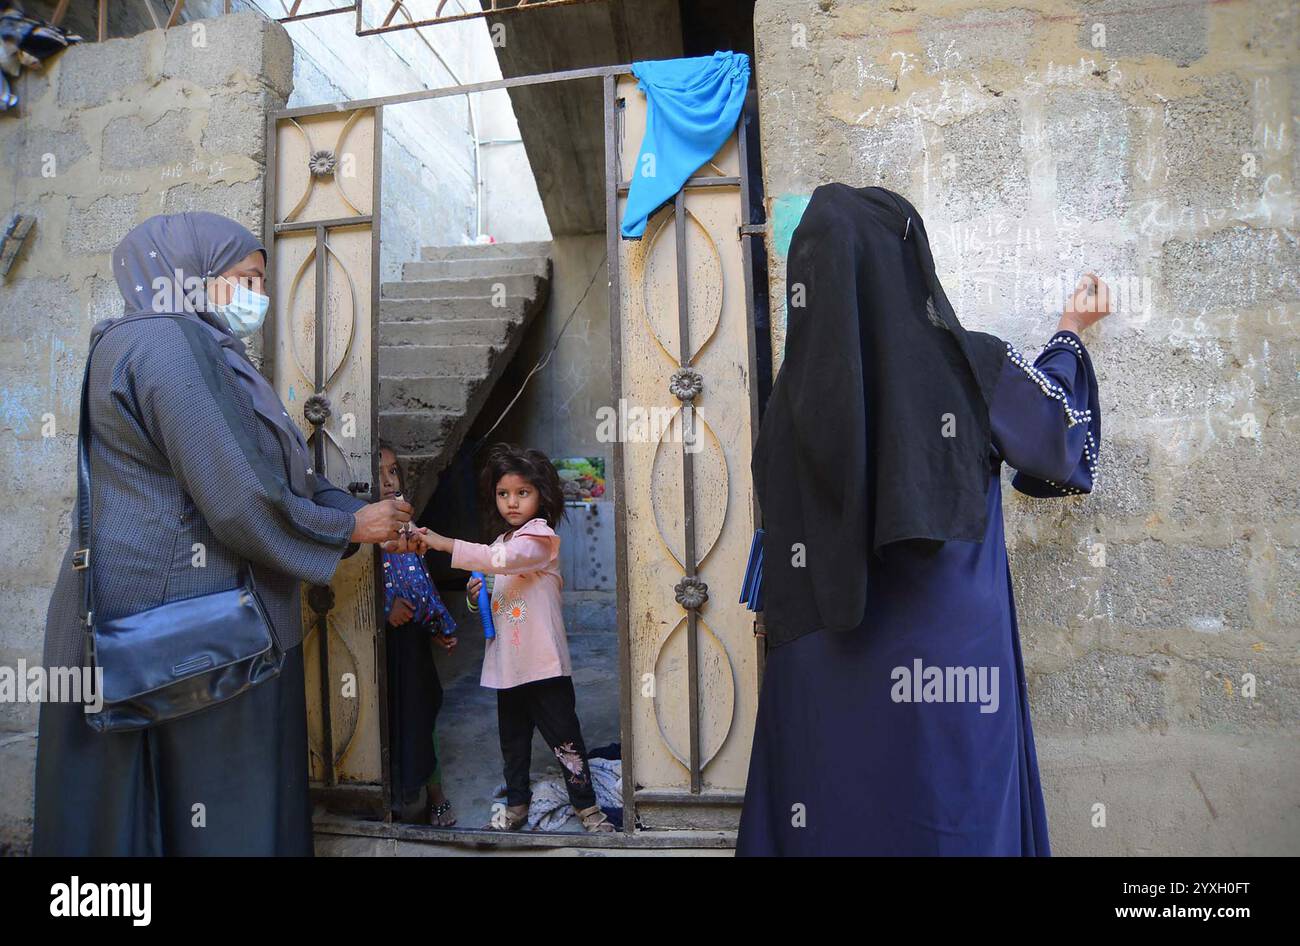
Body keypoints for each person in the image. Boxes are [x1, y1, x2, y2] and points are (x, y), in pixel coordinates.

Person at [736, 184, 1110, 856]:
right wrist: (1069, 331)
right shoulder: (969, 368)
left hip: (820, 669)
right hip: (947, 681)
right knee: (945, 818)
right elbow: (1060, 446)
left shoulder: (787, 406)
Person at [32, 212, 416, 856]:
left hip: (162, 629)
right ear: (189, 276)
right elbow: (237, 496)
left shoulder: (174, 344)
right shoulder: (165, 346)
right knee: (221, 814)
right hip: (195, 637)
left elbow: (266, 464)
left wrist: (341, 512)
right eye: (243, 279)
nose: (256, 298)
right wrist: (345, 526)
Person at [403, 444, 615, 833]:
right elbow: (492, 586)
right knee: (513, 744)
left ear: (542, 496)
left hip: (544, 665)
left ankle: (588, 810)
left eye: (522, 493)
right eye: (504, 494)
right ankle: (516, 806)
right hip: (507, 667)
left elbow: (503, 561)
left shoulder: (540, 538)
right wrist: (473, 598)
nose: (512, 503)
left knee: (565, 741)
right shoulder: (499, 544)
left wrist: (442, 542)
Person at [377, 443, 459, 826]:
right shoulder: (356, 531)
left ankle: (435, 794)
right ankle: (387, 801)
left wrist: (440, 625)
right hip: (376, 644)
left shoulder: (407, 528)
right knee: (385, 718)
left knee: (422, 709)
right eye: (379, 474)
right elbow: (345, 586)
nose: (388, 482)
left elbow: (422, 585)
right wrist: (384, 607)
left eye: (393, 472)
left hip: (411, 640)